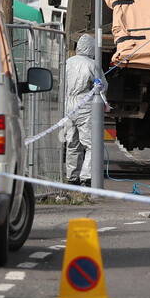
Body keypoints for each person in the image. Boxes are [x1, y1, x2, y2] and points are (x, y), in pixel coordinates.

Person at [61, 33, 101, 187]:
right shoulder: (92, 65)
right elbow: (102, 86)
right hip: (85, 105)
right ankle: (87, 177)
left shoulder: (67, 62)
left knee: (72, 142)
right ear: (91, 48)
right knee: (91, 144)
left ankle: (72, 177)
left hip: (68, 106)